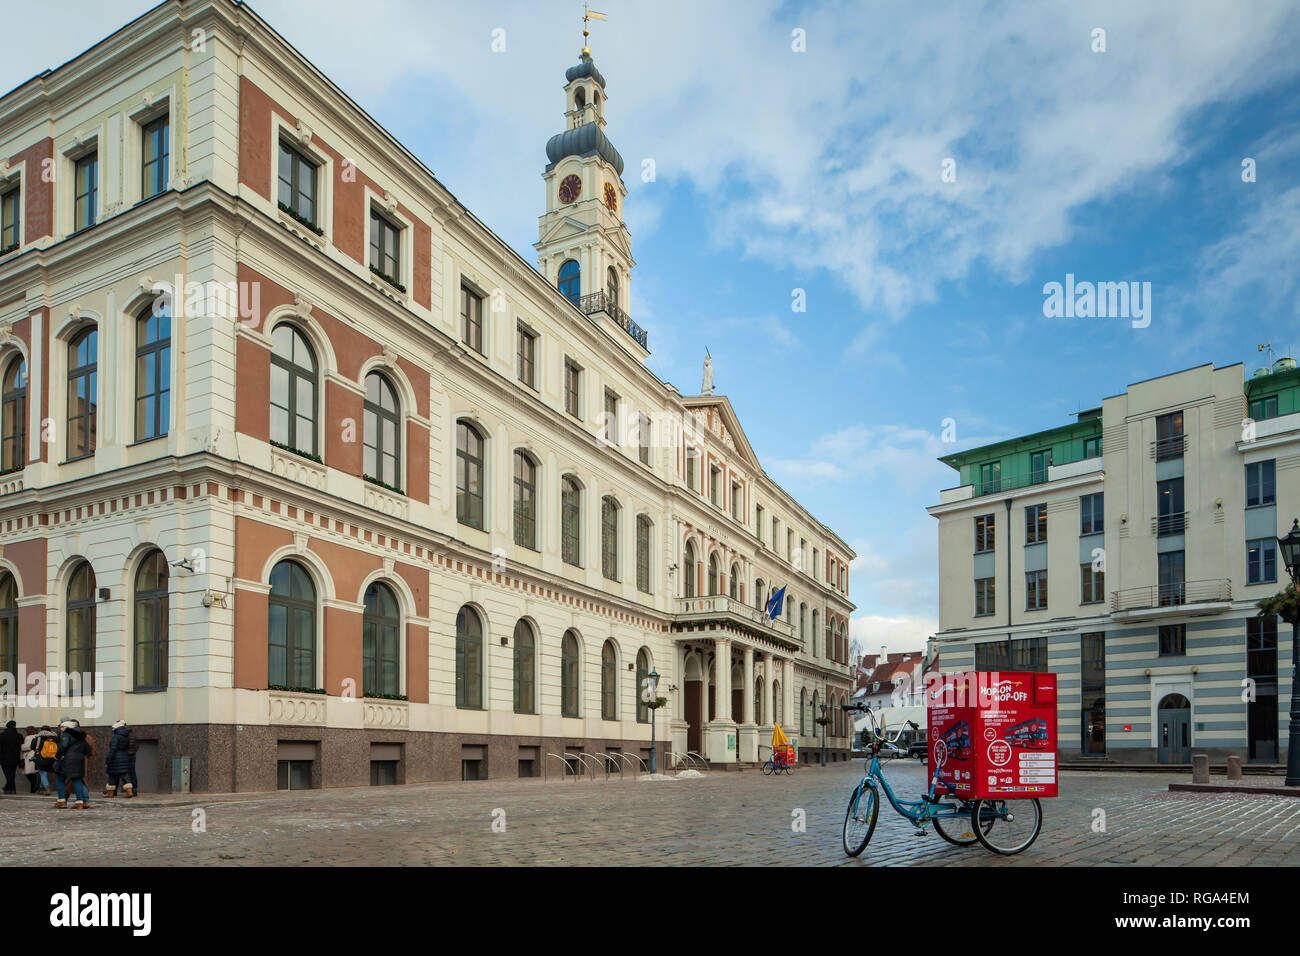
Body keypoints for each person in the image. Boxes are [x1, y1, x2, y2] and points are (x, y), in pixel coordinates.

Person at [54, 720, 92, 810]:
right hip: (79, 760)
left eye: (63, 727)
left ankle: (61, 801)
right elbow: (88, 749)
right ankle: (80, 802)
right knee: (77, 780)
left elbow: (63, 746)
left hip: (67, 759)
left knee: (60, 778)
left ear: (68, 727)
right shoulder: (81, 736)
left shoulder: (66, 734)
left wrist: (57, 756)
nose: (61, 729)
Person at [105, 720, 132, 797]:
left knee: (112, 775)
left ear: (117, 728)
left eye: (113, 728)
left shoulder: (116, 737)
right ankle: (129, 791)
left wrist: (108, 759)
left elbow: (113, 749)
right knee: (124, 775)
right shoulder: (126, 736)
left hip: (115, 759)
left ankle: (110, 793)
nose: (112, 729)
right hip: (124, 757)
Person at [30, 726, 57, 795]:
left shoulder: (39, 737)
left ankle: (47, 789)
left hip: (42, 757)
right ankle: (41, 789)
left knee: (42, 774)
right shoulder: (55, 737)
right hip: (52, 758)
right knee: (44, 773)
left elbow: (32, 746)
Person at [0, 720, 22, 794]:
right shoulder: (19, 736)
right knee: (12, 774)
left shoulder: (2, 735)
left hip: (4, 758)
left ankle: (12, 789)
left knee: (8, 774)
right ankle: (8, 788)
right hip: (15, 758)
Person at [20, 726, 41, 793]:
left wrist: (21, 746)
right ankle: (34, 787)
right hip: (36, 755)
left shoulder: (29, 737)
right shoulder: (38, 736)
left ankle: (34, 787)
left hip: (30, 755)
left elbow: (27, 747)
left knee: (29, 773)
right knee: (34, 773)